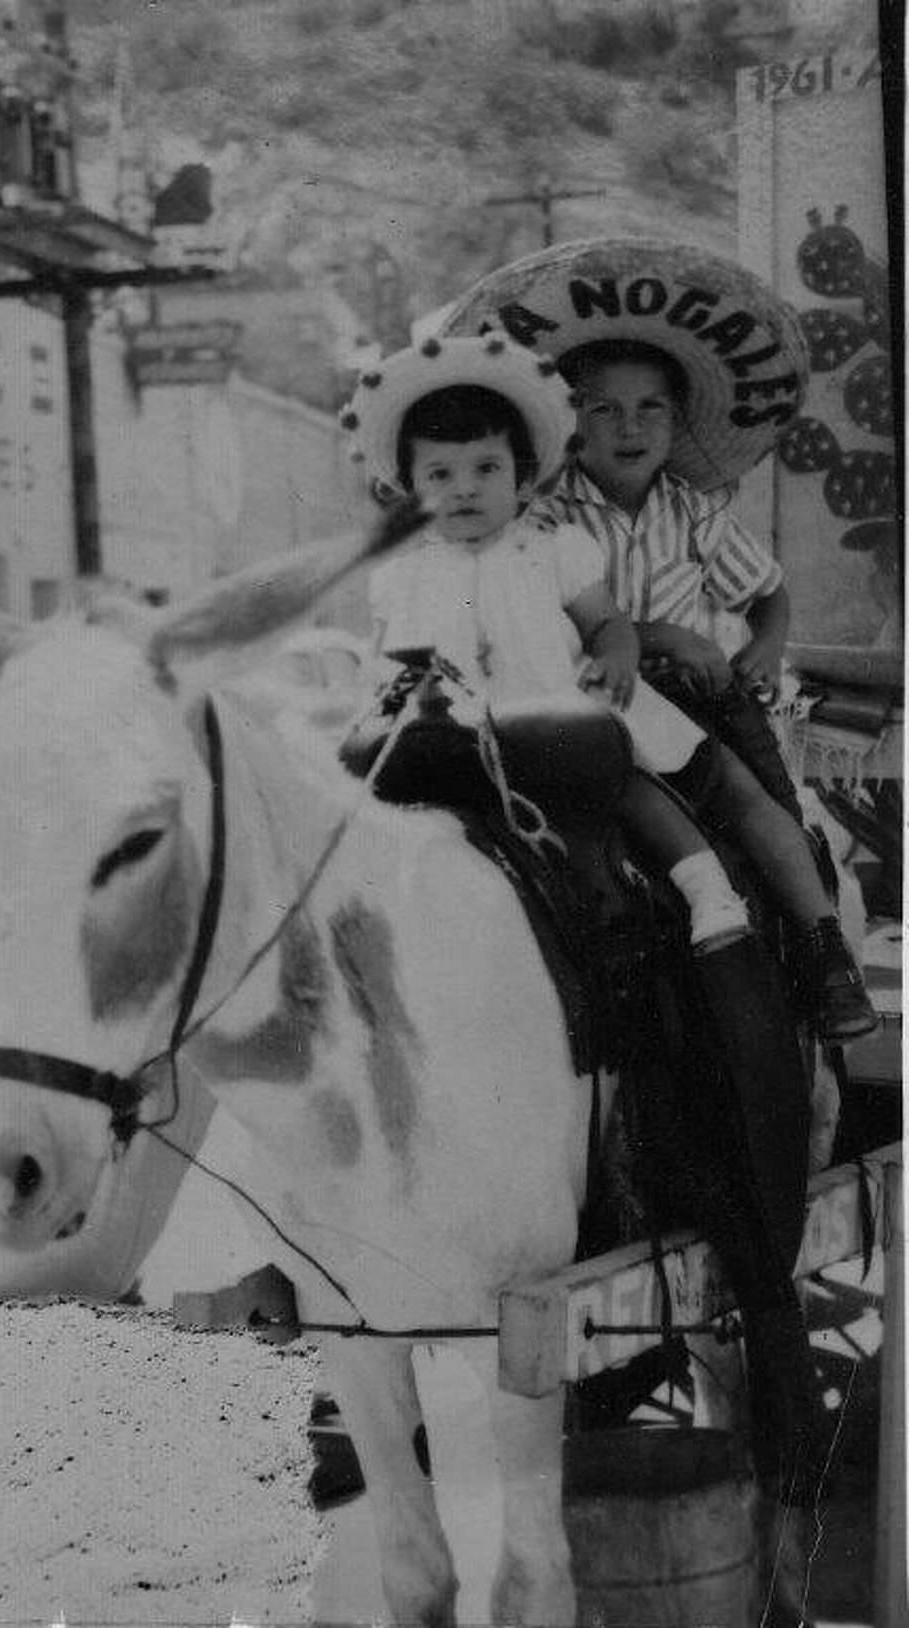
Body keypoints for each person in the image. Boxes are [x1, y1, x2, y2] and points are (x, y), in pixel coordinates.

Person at [339, 332, 831, 1528]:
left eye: (482, 473)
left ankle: (714, 894)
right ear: (413, 486)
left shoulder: (553, 540)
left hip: (555, 720)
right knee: (353, 795)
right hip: (456, 735)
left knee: (627, 772)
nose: (462, 494)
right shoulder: (400, 568)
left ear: (520, 476)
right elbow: (390, 664)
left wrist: (616, 658)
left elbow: (607, 624)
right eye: (440, 476)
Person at [442, 236, 877, 1044]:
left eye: (649, 408)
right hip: (584, 689)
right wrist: (660, 632)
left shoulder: (692, 508)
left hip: (688, 697)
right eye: (603, 408)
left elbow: (769, 592)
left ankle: (823, 952)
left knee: (756, 802)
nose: (628, 425)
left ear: (676, 421)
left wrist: (765, 646)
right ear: (569, 423)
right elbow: (542, 617)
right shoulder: (545, 514)